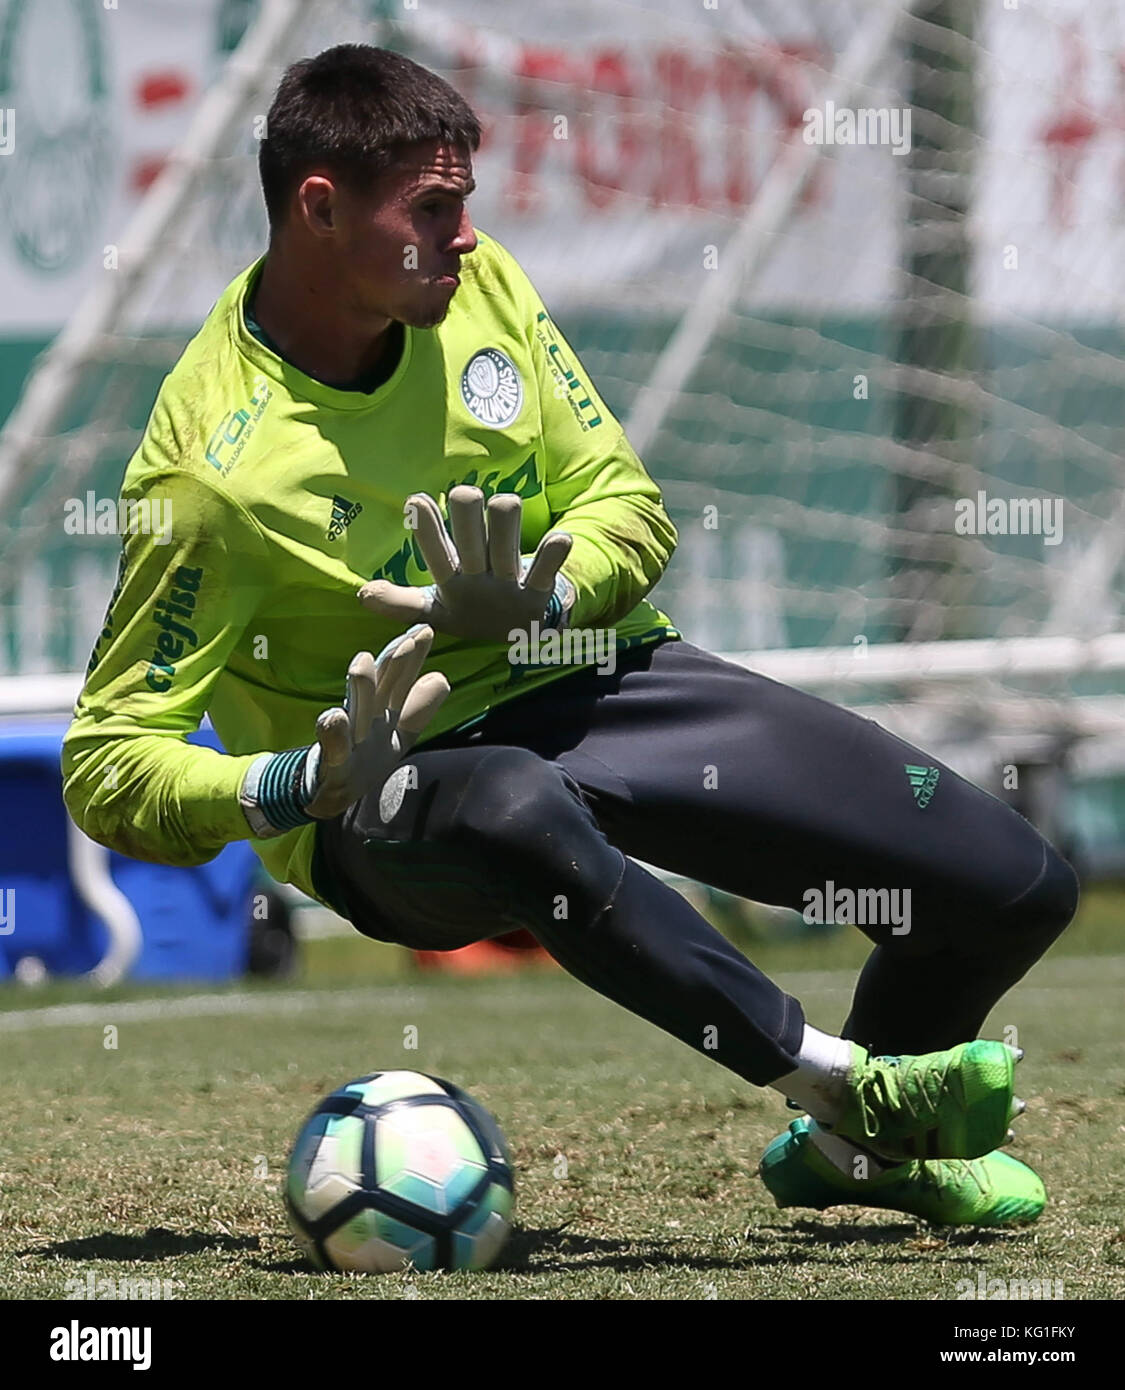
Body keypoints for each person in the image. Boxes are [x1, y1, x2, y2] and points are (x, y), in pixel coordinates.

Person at [63, 44, 1079, 1230]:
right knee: (511, 802)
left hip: (594, 680)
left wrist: (541, 605)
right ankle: (848, 1086)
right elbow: (109, 763)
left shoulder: (478, 292)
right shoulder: (212, 477)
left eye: (466, 205)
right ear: (320, 208)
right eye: (431, 209)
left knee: (1011, 888)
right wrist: (297, 779)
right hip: (391, 801)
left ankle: (862, 1160)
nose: (465, 237)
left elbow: (627, 505)